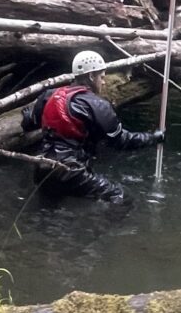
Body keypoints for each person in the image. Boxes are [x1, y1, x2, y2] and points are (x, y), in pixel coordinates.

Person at [21, 50, 163, 203]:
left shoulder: (49, 95)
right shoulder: (97, 105)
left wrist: (27, 113)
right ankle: (101, 227)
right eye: (101, 77)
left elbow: (28, 124)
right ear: (90, 76)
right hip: (70, 170)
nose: (103, 82)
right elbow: (121, 140)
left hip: (42, 167)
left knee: (49, 211)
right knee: (120, 197)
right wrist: (153, 138)